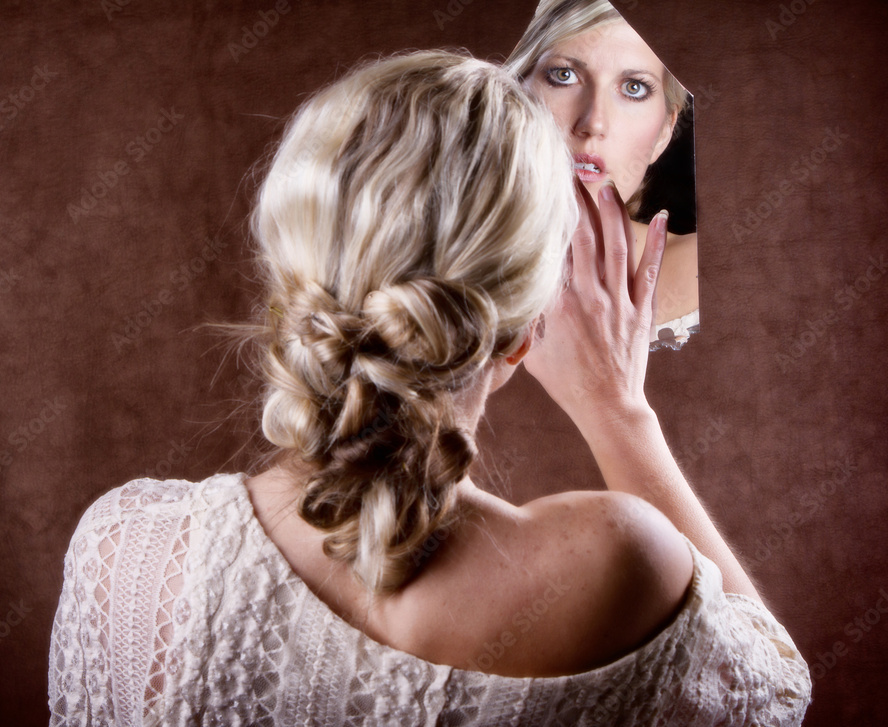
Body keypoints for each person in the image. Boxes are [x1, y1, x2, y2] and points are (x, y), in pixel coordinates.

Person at [47, 50, 811, 725]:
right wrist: (617, 409)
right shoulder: (617, 564)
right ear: (520, 334)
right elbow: (774, 693)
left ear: (290, 271)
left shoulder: (125, 553)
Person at [507, 0, 700, 349]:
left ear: (663, 133)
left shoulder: (708, 272)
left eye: (633, 88)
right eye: (563, 76)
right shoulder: (420, 266)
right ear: (509, 97)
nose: (593, 122)